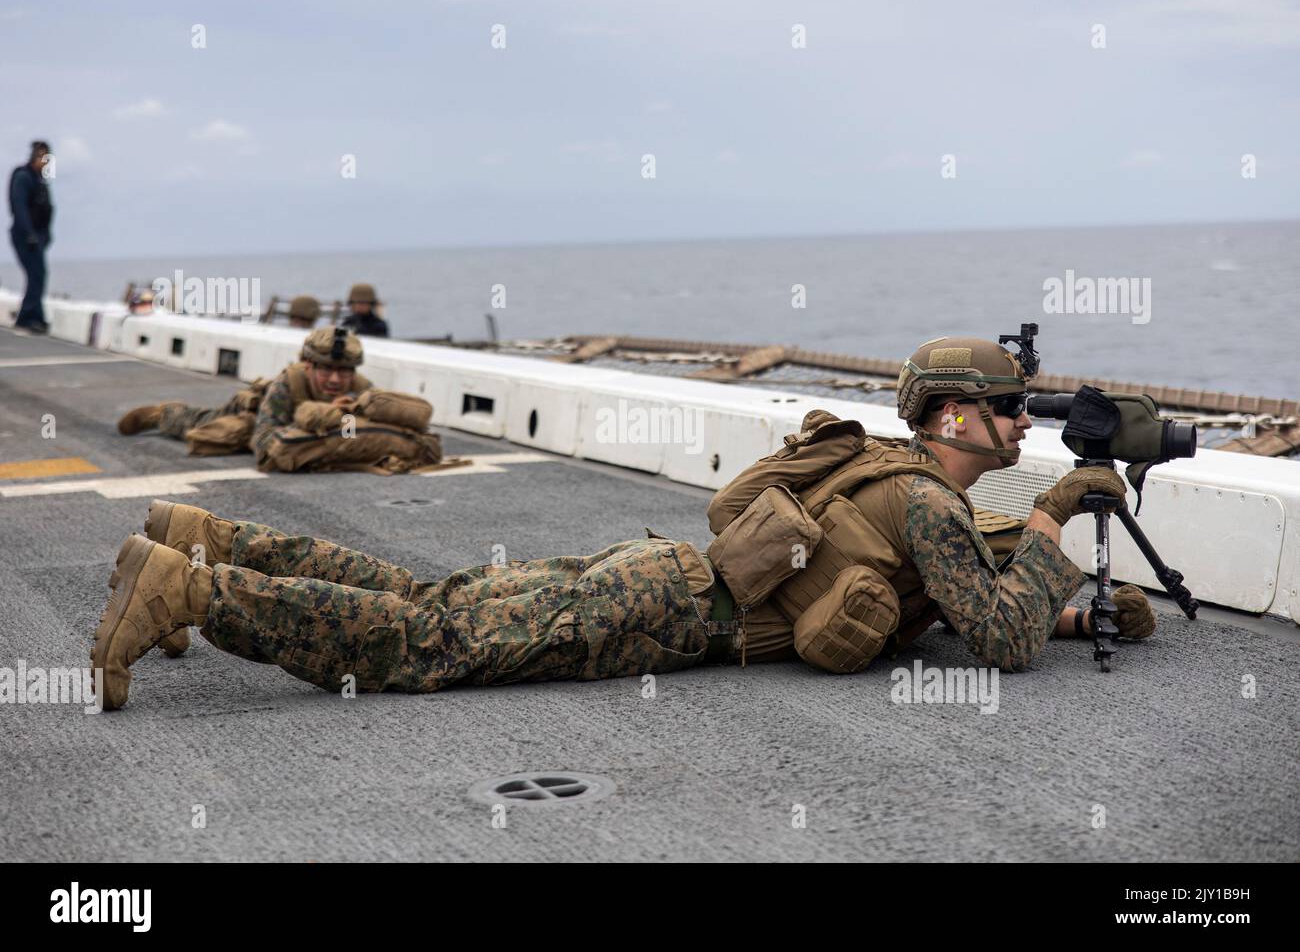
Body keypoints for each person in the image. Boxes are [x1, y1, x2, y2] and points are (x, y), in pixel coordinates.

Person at [88, 332, 1157, 710]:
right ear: (958, 414)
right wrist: (1064, 509)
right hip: (664, 612)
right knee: (432, 644)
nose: (1028, 422)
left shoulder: (904, 477)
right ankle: (193, 587)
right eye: (1014, 406)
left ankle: (209, 535)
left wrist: (1078, 602)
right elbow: (999, 637)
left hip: (661, 576)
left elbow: (976, 594)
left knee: (434, 601)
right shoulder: (926, 499)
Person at [115, 323, 370, 449]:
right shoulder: (288, 384)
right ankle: (161, 415)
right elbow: (262, 441)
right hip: (253, 410)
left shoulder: (362, 390)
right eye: (326, 370)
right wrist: (319, 419)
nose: (336, 380)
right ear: (308, 365)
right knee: (207, 424)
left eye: (344, 371)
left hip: (290, 431)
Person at [8, 141, 54, 333]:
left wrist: (46, 234)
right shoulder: (23, 177)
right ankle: (26, 318)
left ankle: (36, 317)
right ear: (36, 157)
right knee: (36, 275)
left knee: (39, 276)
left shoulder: (39, 179)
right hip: (25, 236)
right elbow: (19, 209)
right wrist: (29, 234)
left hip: (38, 236)